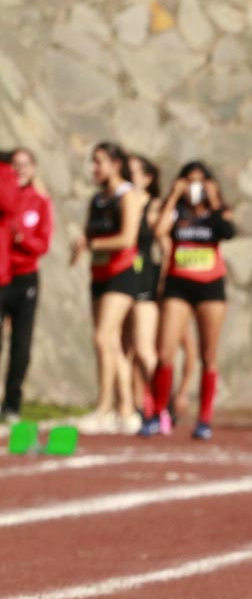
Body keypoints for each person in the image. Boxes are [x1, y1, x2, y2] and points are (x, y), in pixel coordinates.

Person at [151, 161, 233, 440]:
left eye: (200, 181)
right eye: (189, 181)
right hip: (178, 285)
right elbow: (159, 232)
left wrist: (214, 200)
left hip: (210, 288)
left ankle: (205, 418)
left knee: (208, 355)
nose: (194, 187)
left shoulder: (217, 212)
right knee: (165, 352)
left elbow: (228, 231)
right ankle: (158, 413)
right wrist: (174, 196)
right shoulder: (176, 212)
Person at [74, 143, 149, 435]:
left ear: (116, 164)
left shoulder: (127, 195)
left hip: (122, 275)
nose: (93, 167)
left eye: (99, 161)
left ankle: (104, 409)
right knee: (111, 344)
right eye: (92, 162)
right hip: (99, 274)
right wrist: (82, 243)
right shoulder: (97, 199)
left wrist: (93, 244)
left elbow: (128, 238)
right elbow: (90, 233)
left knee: (103, 338)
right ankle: (126, 410)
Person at [1, 148, 52, 425]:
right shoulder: (3, 194)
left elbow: (42, 244)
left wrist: (22, 238)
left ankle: (12, 404)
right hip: (1, 276)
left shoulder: (40, 201)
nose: (20, 169)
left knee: (21, 345)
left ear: (34, 167)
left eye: (26, 164)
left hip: (25, 278)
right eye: (15, 164)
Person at [124, 155, 167, 435]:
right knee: (126, 349)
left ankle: (163, 406)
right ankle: (136, 406)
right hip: (120, 278)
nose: (128, 177)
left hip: (145, 280)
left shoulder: (152, 206)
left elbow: (165, 244)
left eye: (134, 172)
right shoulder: (121, 202)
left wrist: (164, 284)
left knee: (144, 347)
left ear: (148, 178)